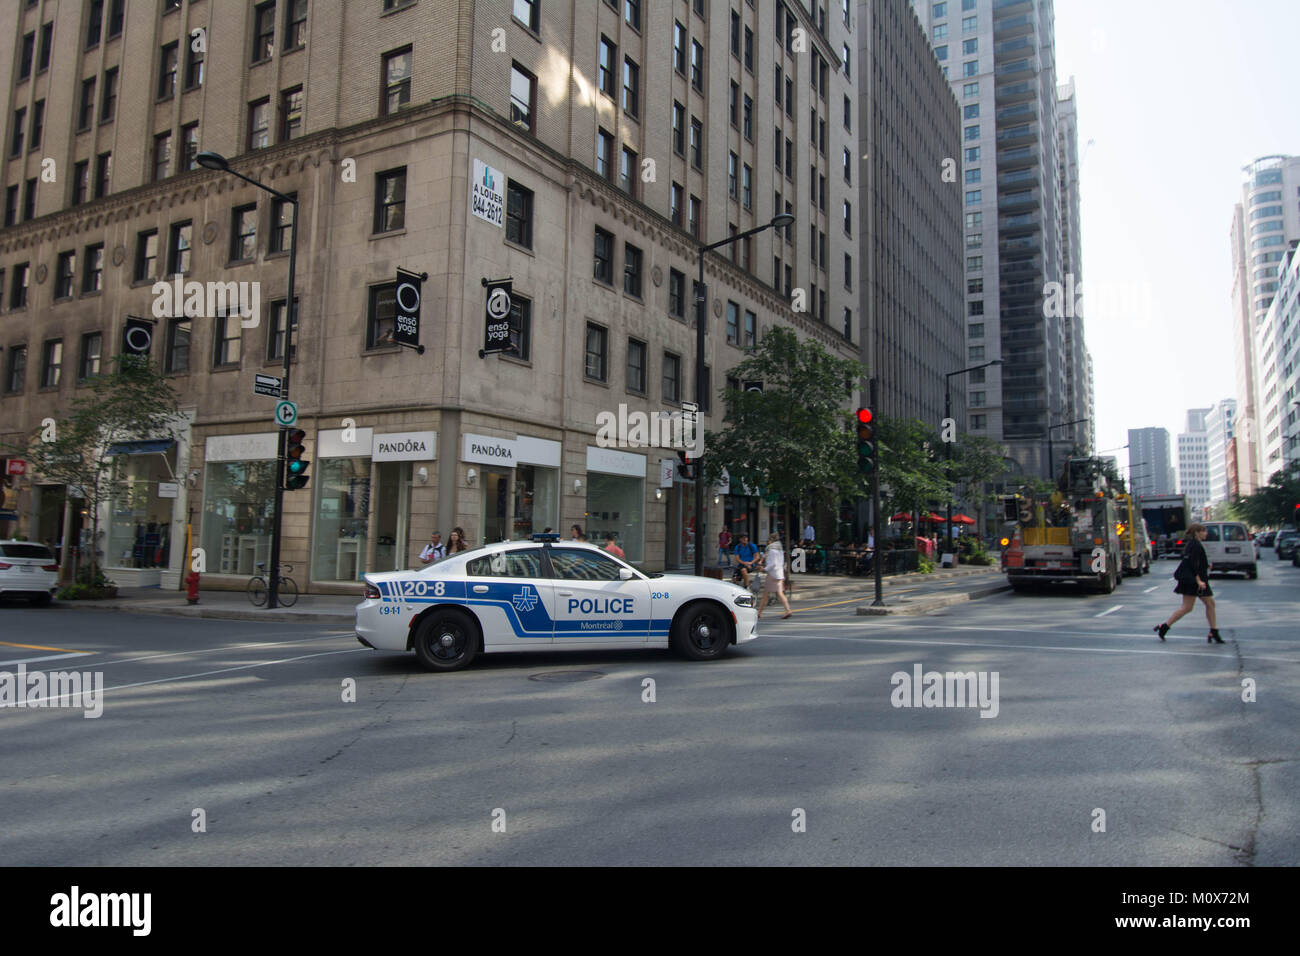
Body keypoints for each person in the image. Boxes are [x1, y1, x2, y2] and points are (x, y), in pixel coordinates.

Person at [1154, 523, 1222, 643]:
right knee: (1193, 607)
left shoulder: (1193, 544)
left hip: (1194, 580)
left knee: (1199, 605)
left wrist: (1206, 565)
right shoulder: (1195, 545)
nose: (1206, 533)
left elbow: (1194, 562)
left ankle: (1213, 631)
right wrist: (1199, 581)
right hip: (1195, 581)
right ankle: (1164, 627)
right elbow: (1192, 565)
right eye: (1204, 531)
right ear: (1197, 532)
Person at [756, 533, 793, 619]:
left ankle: (759, 613)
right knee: (779, 593)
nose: (768, 542)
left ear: (772, 540)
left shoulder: (771, 550)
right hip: (779, 573)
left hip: (772, 574)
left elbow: (772, 563)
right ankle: (788, 610)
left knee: (766, 594)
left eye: (769, 540)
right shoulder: (780, 549)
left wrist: (764, 569)